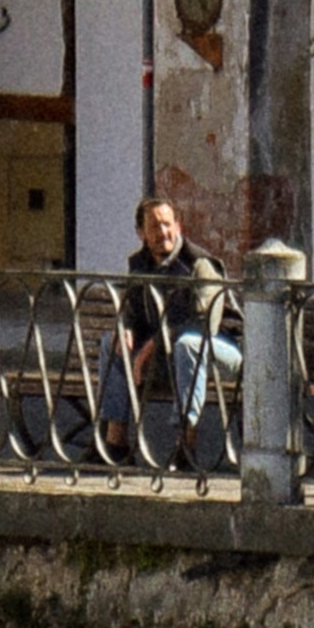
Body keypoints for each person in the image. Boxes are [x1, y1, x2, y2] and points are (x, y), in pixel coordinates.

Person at [115, 193, 229, 460]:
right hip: (166, 358)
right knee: (113, 345)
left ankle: (186, 446)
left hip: (216, 353)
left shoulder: (198, 264)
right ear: (140, 232)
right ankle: (115, 443)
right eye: (154, 226)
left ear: (178, 227)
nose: (163, 232)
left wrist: (151, 346)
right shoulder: (139, 265)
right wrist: (127, 328)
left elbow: (204, 324)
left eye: (167, 224)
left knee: (188, 344)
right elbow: (129, 309)